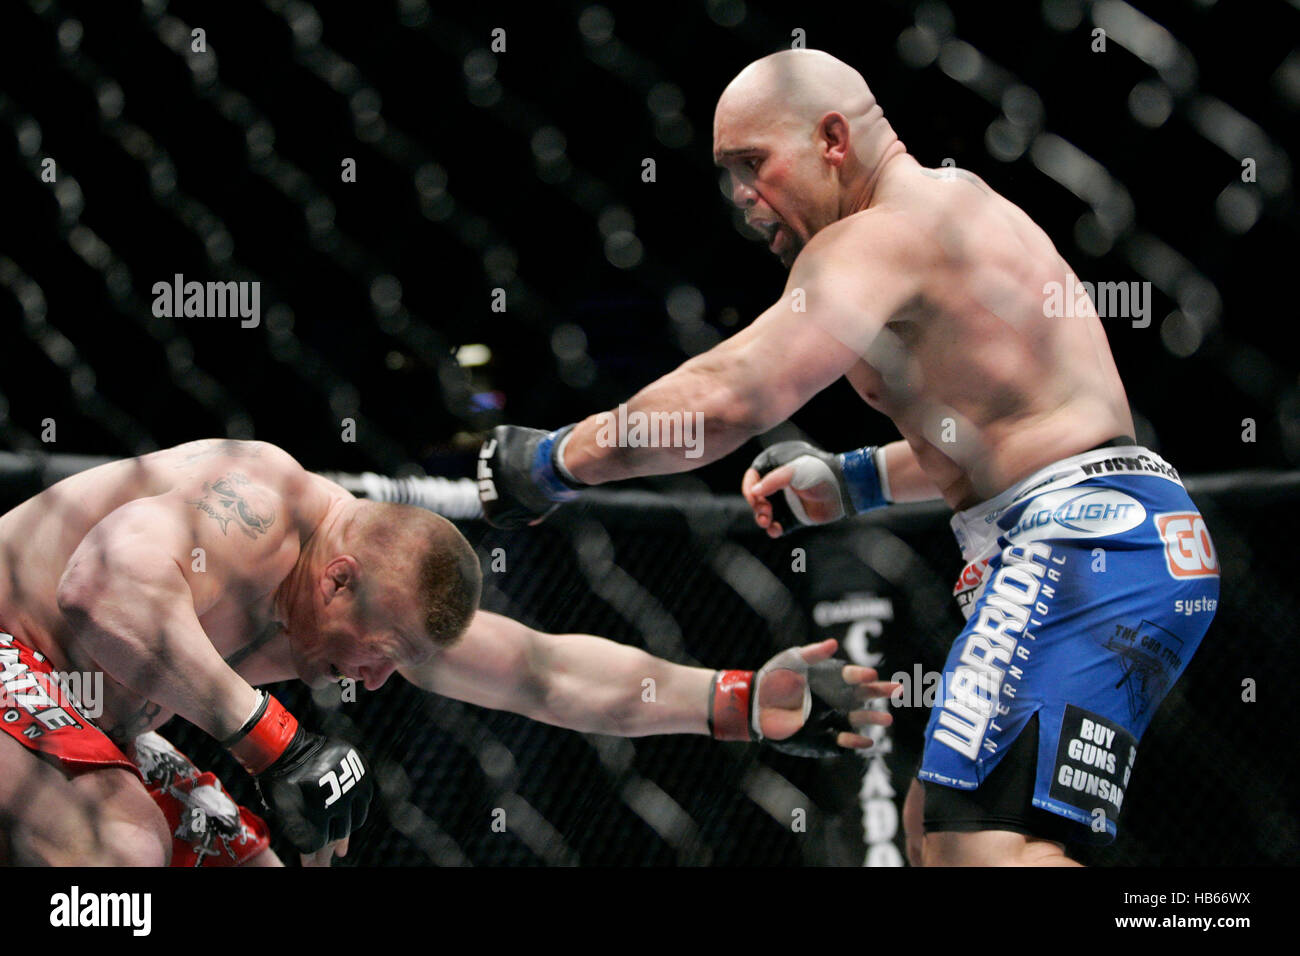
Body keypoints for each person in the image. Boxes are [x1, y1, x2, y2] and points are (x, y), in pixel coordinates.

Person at [476, 49, 1220, 866]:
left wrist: (550, 461)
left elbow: (728, 399)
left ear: (833, 138)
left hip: (1078, 541)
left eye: (753, 164)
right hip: (1134, 534)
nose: (741, 197)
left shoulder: (876, 237)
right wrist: (855, 477)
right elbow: (1000, 426)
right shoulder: (962, 202)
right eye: (728, 173)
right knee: (934, 825)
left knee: (983, 852)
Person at [0, 437, 891, 866]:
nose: (378, 680)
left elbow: (546, 673)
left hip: (76, 717)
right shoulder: (253, 506)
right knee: (116, 843)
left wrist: (730, 697)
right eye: (380, 652)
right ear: (339, 579)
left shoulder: (351, 608)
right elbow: (100, 586)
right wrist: (274, 741)